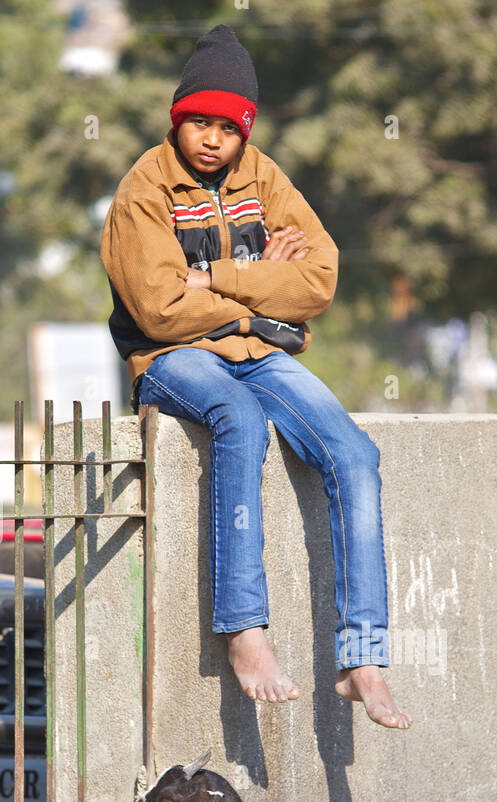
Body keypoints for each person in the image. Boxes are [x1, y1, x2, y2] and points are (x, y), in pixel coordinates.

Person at [100, 24, 411, 729]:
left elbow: (321, 280)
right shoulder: (144, 190)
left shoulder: (265, 178)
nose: (211, 139)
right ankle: (244, 631)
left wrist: (221, 275)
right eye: (198, 123)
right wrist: (265, 290)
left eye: (226, 127)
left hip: (259, 353)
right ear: (177, 121)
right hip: (171, 359)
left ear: (245, 133)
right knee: (238, 421)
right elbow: (159, 305)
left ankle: (362, 655)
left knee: (355, 453)